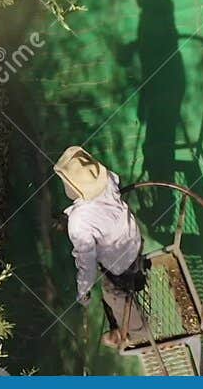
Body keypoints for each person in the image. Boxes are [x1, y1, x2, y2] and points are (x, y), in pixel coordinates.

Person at [54, 145, 149, 346]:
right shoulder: (107, 179)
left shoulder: (79, 224)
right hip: (134, 240)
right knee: (129, 271)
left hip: (119, 265)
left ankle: (138, 335)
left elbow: (86, 264)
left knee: (114, 294)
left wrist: (83, 290)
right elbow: (95, 206)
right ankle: (138, 276)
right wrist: (70, 213)